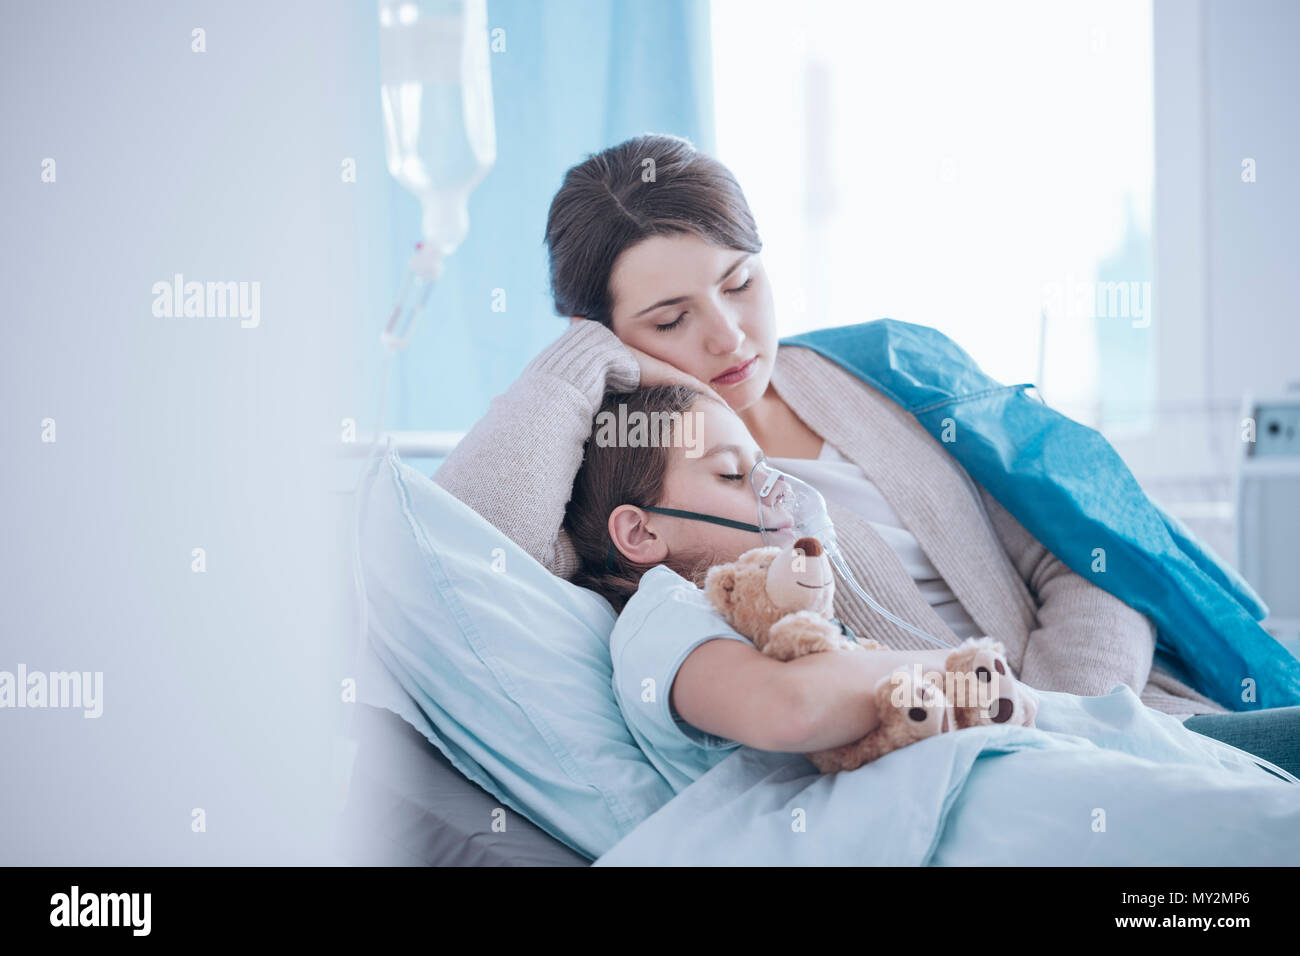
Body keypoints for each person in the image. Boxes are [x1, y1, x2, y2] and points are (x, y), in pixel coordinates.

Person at [431, 132, 1300, 778]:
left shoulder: (876, 372)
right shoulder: (637, 481)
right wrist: (574, 364)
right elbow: (458, 562)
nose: (729, 335)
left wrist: (1070, 715)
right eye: (670, 320)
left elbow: (1082, 553)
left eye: (740, 283)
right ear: (606, 333)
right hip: (967, 768)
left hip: (1121, 719)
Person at [561, 382, 1034, 792]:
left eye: (765, 469)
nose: (780, 490)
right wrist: (961, 667)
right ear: (641, 534)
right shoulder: (664, 612)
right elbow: (792, 706)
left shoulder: (784, 610)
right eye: (731, 474)